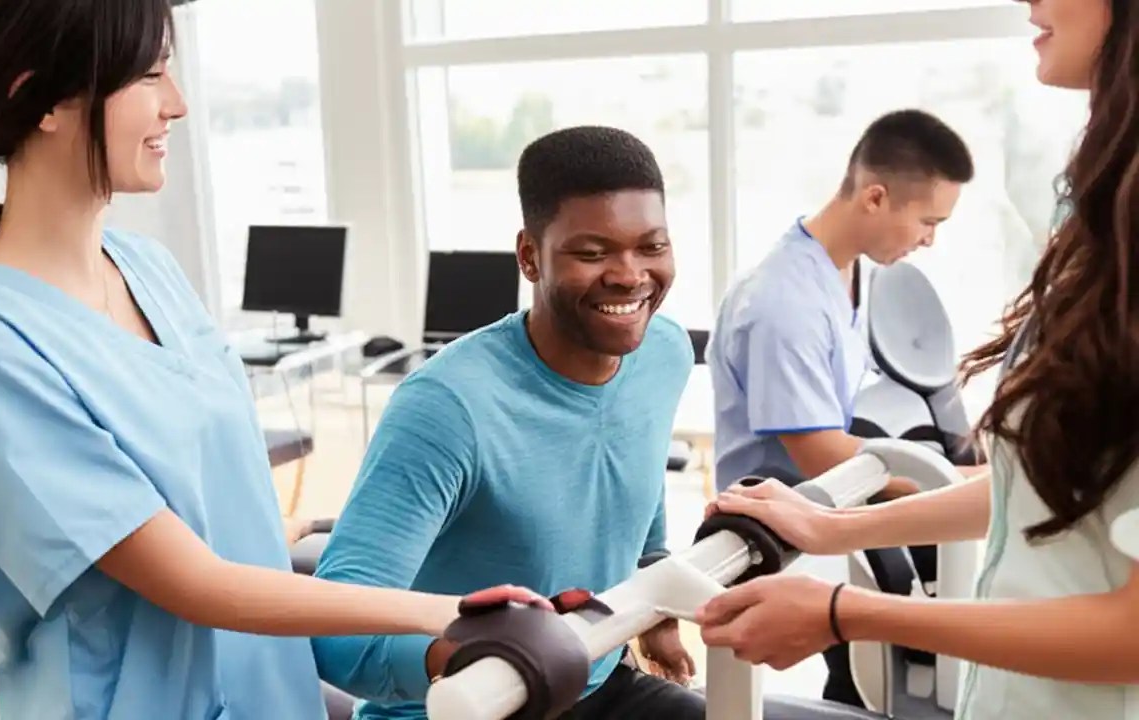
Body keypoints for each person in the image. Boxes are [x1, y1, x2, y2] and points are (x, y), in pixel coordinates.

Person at [0, 2, 548, 718]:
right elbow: (192, 583)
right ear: (40, 98)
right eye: (149, 74)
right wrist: (442, 611)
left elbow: (204, 494)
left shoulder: (149, 269)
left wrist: (286, 528)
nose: (175, 104)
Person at [697, 1, 1139, 718]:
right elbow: (1062, 478)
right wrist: (840, 529)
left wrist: (850, 612)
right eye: (928, 221)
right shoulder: (786, 295)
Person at [312, 126, 704, 719]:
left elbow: (635, 478)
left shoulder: (664, 351)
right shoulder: (447, 406)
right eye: (592, 253)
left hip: (595, 678)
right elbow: (335, 630)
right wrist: (465, 661)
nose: (629, 275)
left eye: (651, 247)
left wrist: (653, 609)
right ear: (529, 256)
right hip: (461, 705)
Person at [708, 108, 976, 495]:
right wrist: (973, 485)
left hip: (828, 515)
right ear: (875, 198)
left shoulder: (849, 271)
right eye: (928, 222)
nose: (929, 240)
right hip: (776, 539)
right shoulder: (784, 304)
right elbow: (824, 458)